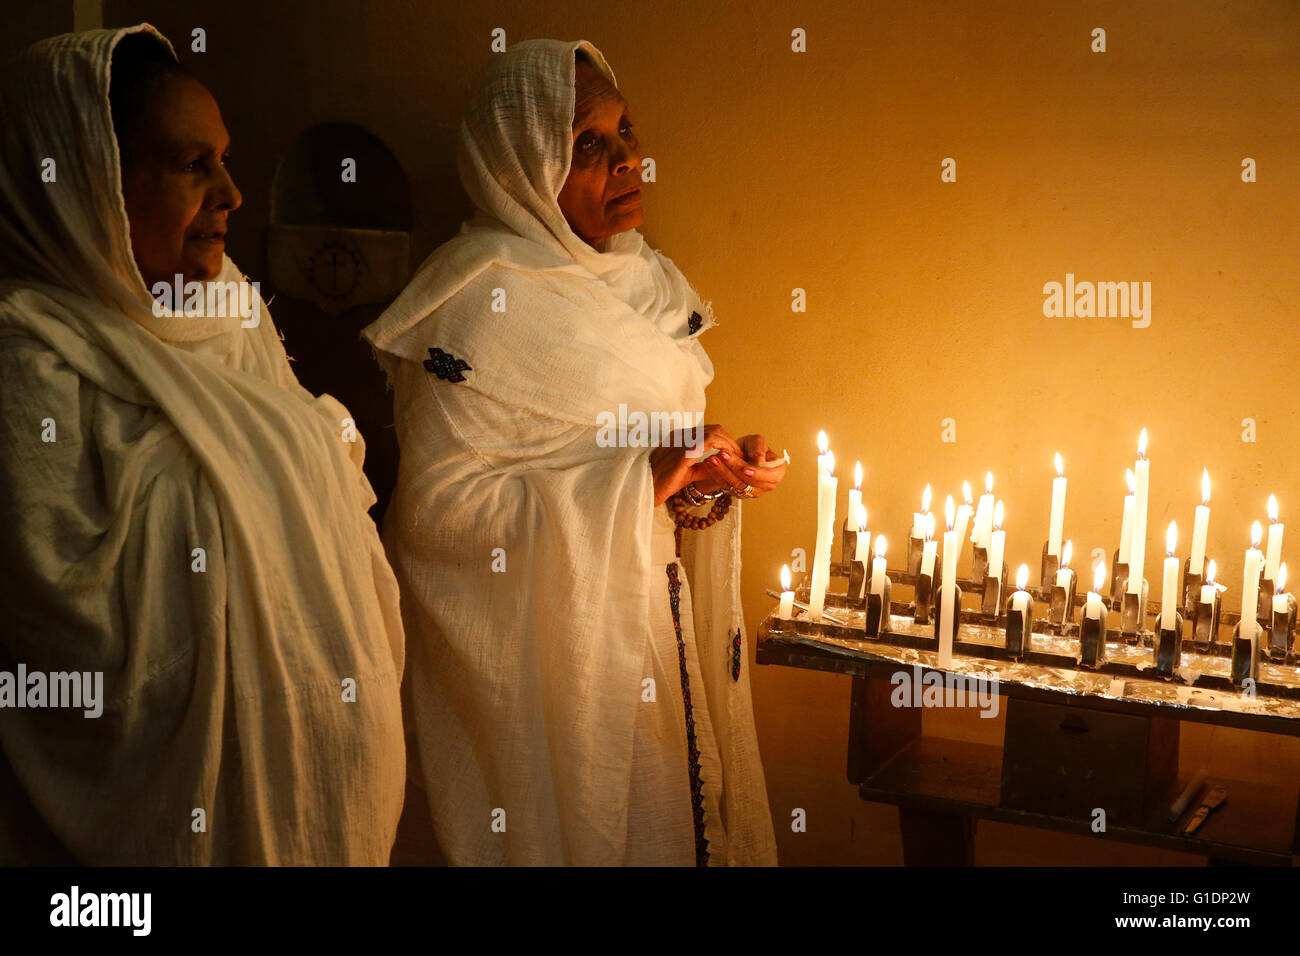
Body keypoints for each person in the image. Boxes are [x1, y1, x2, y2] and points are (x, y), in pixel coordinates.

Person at [365, 38, 784, 866]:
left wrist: (709, 476)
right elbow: (436, 521)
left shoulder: (650, 285)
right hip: (564, 658)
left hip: (655, 630)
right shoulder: (474, 304)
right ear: (520, 165)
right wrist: (630, 486)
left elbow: (658, 479)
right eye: (588, 144)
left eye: (625, 130)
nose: (626, 159)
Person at [0, 24, 405, 864]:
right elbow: (60, 619)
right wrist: (296, 445)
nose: (232, 193)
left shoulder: (229, 306)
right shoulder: (28, 351)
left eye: (224, 160)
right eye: (192, 164)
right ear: (90, 179)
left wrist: (296, 447)